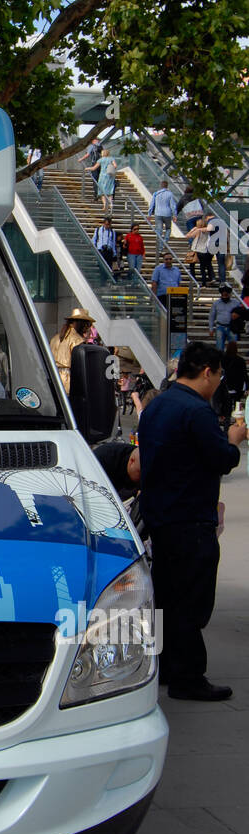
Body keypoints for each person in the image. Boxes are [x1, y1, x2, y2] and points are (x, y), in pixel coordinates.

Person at [138, 342, 246, 700]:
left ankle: (166, 665)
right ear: (207, 372)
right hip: (190, 517)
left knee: (166, 595)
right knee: (192, 598)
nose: (217, 383)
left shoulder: (158, 406)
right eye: (218, 376)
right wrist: (233, 440)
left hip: (161, 515)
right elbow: (221, 458)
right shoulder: (197, 411)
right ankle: (188, 676)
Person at [49, 307, 93, 394]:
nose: (87, 328)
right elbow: (81, 366)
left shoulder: (55, 338)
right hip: (70, 382)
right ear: (81, 324)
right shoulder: (77, 340)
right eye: (87, 324)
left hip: (54, 379)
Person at [208, 284, 241, 350]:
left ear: (229, 294)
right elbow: (212, 316)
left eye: (227, 294)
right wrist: (211, 329)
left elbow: (241, 314)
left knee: (233, 348)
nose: (225, 296)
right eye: (223, 294)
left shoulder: (236, 303)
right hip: (220, 327)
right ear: (221, 294)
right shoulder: (216, 303)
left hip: (232, 327)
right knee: (219, 347)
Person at [147, 184, 177, 255]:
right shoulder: (170, 194)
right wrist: (174, 215)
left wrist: (149, 214)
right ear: (167, 186)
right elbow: (172, 205)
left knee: (159, 230)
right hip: (167, 214)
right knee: (168, 228)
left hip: (158, 214)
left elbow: (152, 204)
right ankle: (165, 242)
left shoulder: (156, 194)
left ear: (161, 186)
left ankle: (160, 248)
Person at [185, 214, 214, 286]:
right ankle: (206, 281)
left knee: (192, 265)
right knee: (203, 267)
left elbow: (188, 236)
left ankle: (194, 279)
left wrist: (193, 229)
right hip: (204, 250)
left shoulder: (197, 230)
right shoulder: (207, 230)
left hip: (196, 249)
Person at [96, 150, 117, 216]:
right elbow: (115, 165)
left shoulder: (101, 160)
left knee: (102, 191)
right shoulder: (111, 159)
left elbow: (94, 168)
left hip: (102, 176)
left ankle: (105, 204)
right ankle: (111, 204)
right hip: (110, 176)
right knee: (110, 191)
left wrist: (88, 168)